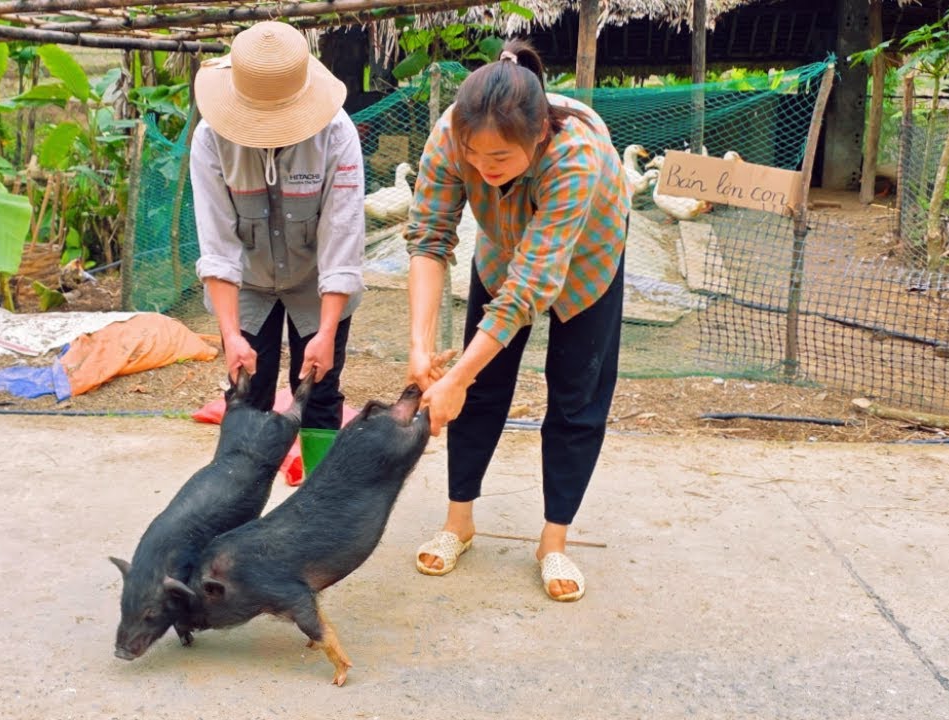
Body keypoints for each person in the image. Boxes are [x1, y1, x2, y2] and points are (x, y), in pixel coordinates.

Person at [405, 40, 630, 602]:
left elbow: (529, 288)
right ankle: (459, 521)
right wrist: (421, 348)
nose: (483, 167)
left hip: (588, 261)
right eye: (473, 154)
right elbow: (429, 239)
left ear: (539, 135)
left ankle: (553, 542)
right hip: (502, 251)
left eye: (500, 158)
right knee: (479, 388)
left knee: (576, 397)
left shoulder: (575, 156)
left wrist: (456, 377)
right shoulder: (451, 134)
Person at [191, 22, 365, 431]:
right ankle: (246, 475)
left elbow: (342, 240)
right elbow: (217, 245)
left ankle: (318, 476)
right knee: (246, 394)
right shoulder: (210, 139)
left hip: (316, 280)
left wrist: (326, 333)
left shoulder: (337, 134)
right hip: (248, 282)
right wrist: (231, 337)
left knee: (319, 392)